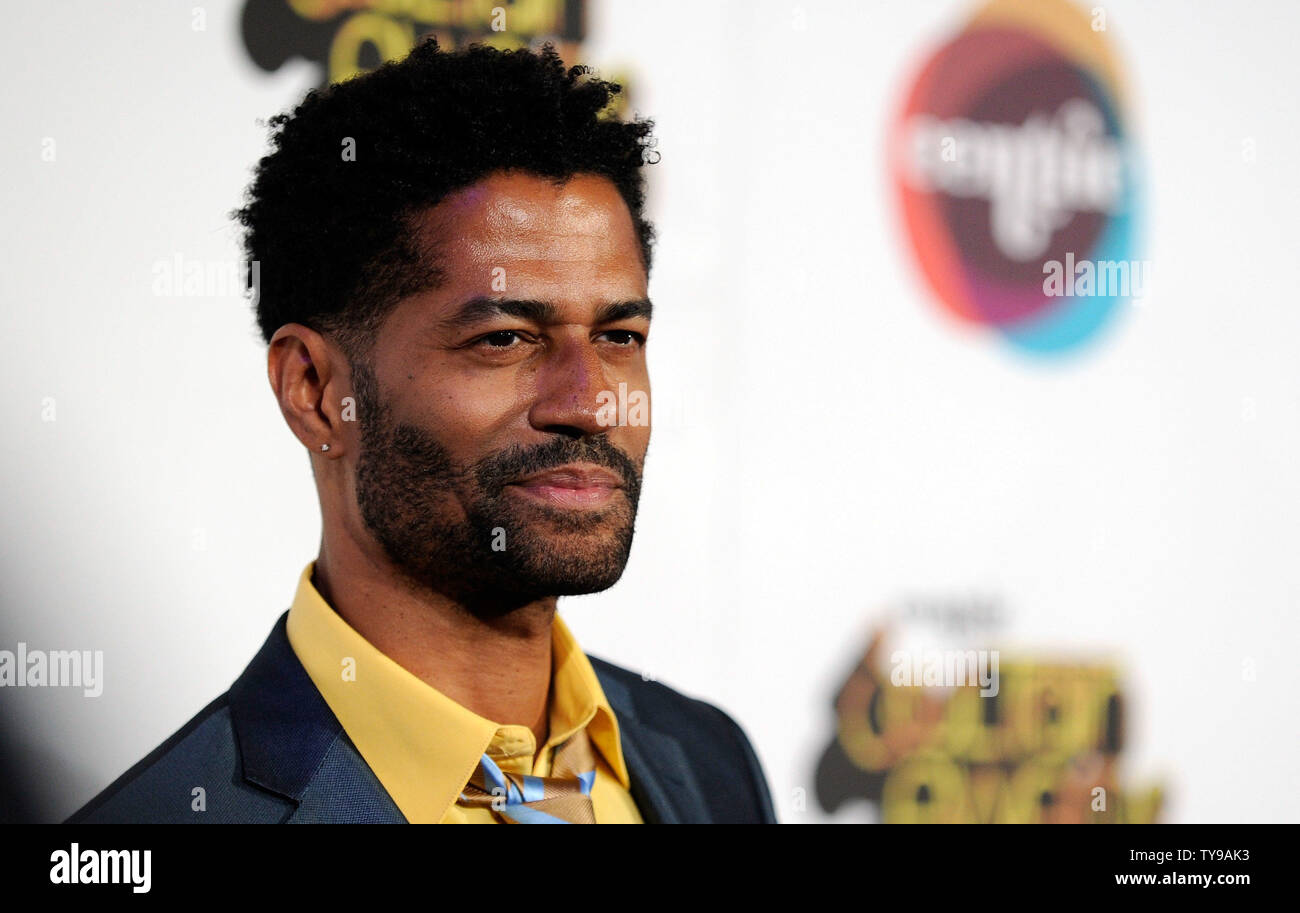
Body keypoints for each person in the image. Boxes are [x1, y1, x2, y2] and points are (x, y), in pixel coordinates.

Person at [68, 38, 776, 824]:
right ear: (314, 390)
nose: (591, 402)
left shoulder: (712, 767)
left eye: (619, 337)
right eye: (504, 338)